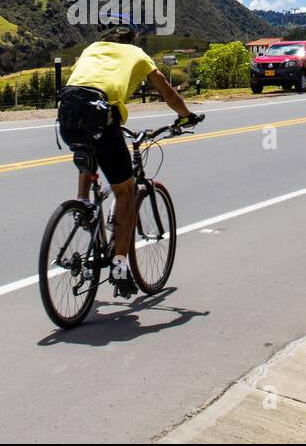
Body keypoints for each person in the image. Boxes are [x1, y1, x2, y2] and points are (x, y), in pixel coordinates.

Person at [56, 15, 204, 298]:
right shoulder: (136, 53)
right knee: (125, 192)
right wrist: (185, 115)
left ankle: (83, 204)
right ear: (129, 37)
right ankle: (120, 265)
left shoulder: (90, 50)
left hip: (68, 114)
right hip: (103, 117)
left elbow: (83, 82)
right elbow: (164, 88)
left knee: (89, 149)